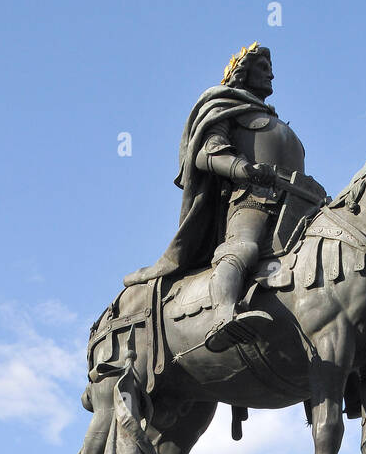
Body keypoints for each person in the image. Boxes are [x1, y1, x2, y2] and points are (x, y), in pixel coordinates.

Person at [125, 42, 324, 351]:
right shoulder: (223, 106)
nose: (271, 74)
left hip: (299, 203)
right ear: (241, 73)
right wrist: (244, 169)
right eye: (262, 68)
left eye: (271, 69)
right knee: (242, 248)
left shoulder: (273, 119)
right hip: (252, 200)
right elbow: (207, 154)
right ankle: (223, 316)